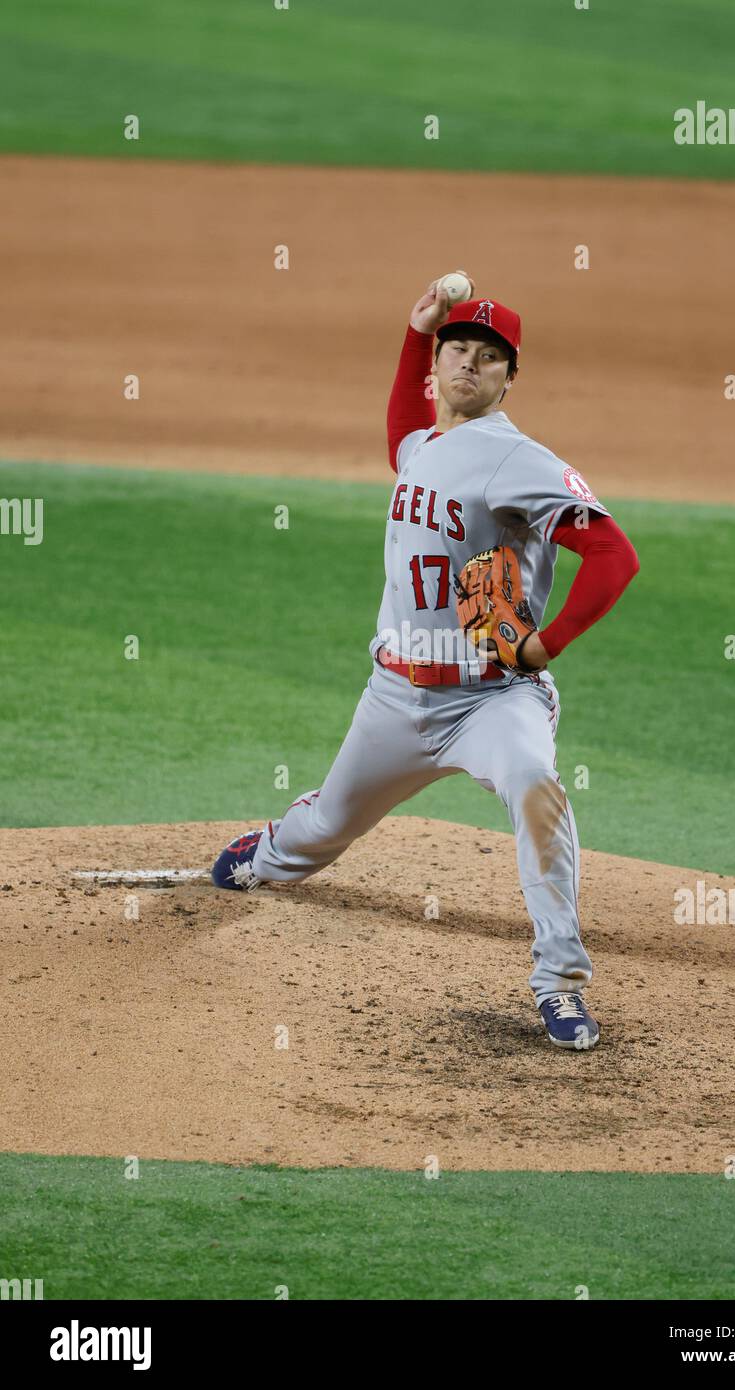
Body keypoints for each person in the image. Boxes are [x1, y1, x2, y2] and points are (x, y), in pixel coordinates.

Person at [212, 277, 640, 1050]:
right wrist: (414, 332)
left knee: (534, 788)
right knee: (323, 830)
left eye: (488, 357)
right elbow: (403, 441)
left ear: (511, 376)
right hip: (395, 697)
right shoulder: (427, 447)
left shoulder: (519, 460)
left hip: (491, 699)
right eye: (456, 352)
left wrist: (544, 647)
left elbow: (614, 555)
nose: (468, 366)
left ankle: (560, 981)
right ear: (436, 366)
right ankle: (271, 857)